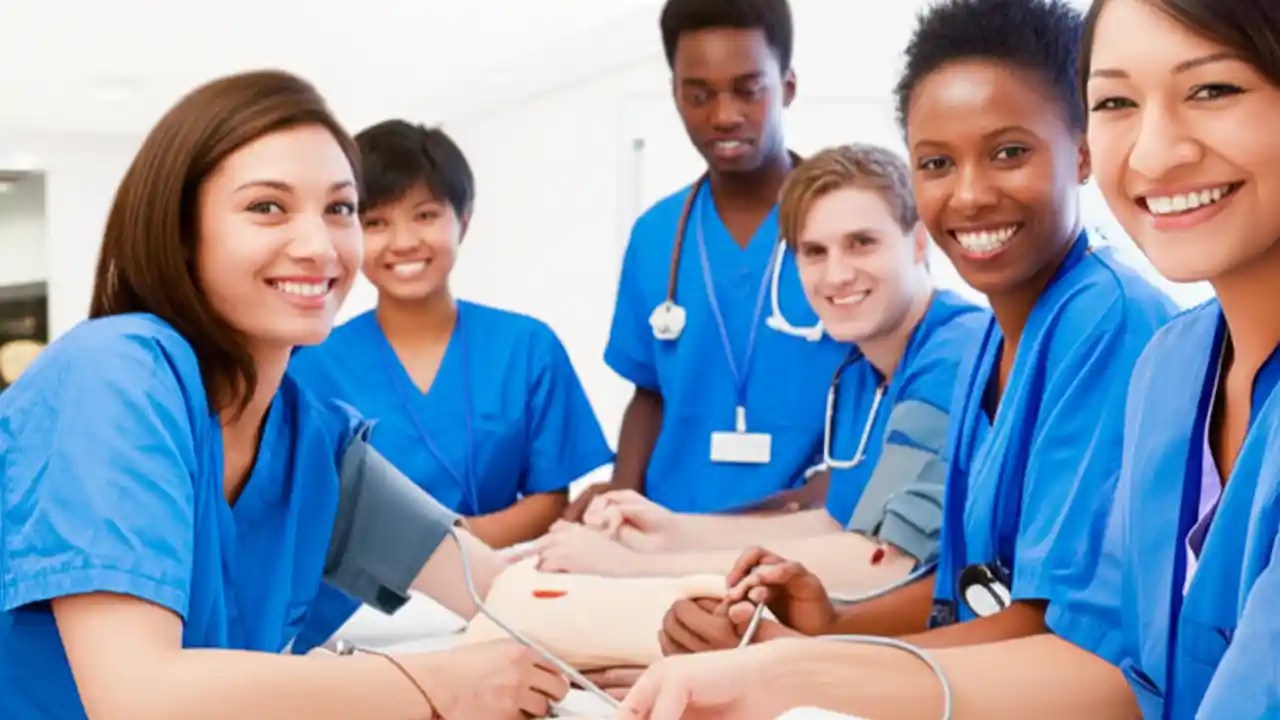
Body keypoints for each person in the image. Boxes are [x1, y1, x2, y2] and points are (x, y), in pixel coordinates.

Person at [619, 0, 1280, 716]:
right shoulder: (1159, 367)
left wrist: (801, 660)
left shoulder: (1109, 323)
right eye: (1118, 101)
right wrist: (805, 650)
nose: (1155, 151)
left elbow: (1065, 638)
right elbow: (1107, 659)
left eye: (1213, 90)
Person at [0, 71, 569, 720]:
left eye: (340, 209)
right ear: (180, 231)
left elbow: (495, 588)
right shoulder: (113, 375)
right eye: (267, 207)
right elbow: (138, 696)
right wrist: (436, 684)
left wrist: (687, 607)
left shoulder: (312, 441)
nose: (318, 245)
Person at [532, 144, 988, 600]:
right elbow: (836, 521)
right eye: (814, 252)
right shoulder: (860, 372)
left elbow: (882, 563)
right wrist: (670, 529)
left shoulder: (955, 354)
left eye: (862, 243)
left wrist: (635, 567)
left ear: (920, 242)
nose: (837, 275)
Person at [287, 120, 614, 653]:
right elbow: (307, 513)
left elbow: (550, 497)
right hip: (353, 620)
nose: (404, 241)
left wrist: (448, 557)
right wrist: (429, 557)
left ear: (463, 219)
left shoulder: (526, 346)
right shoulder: (311, 365)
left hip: (498, 600)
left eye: (425, 215)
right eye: (376, 222)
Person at [564, 0, 849, 519]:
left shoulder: (846, 225)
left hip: (807, 523)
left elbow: (890, 377)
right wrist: (621, 494)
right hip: (671, 526)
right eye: (698, 95)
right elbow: (649, 391)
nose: (724, 115)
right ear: (675, 96)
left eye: (748, 89)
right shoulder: (656, 236)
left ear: (786, 86)